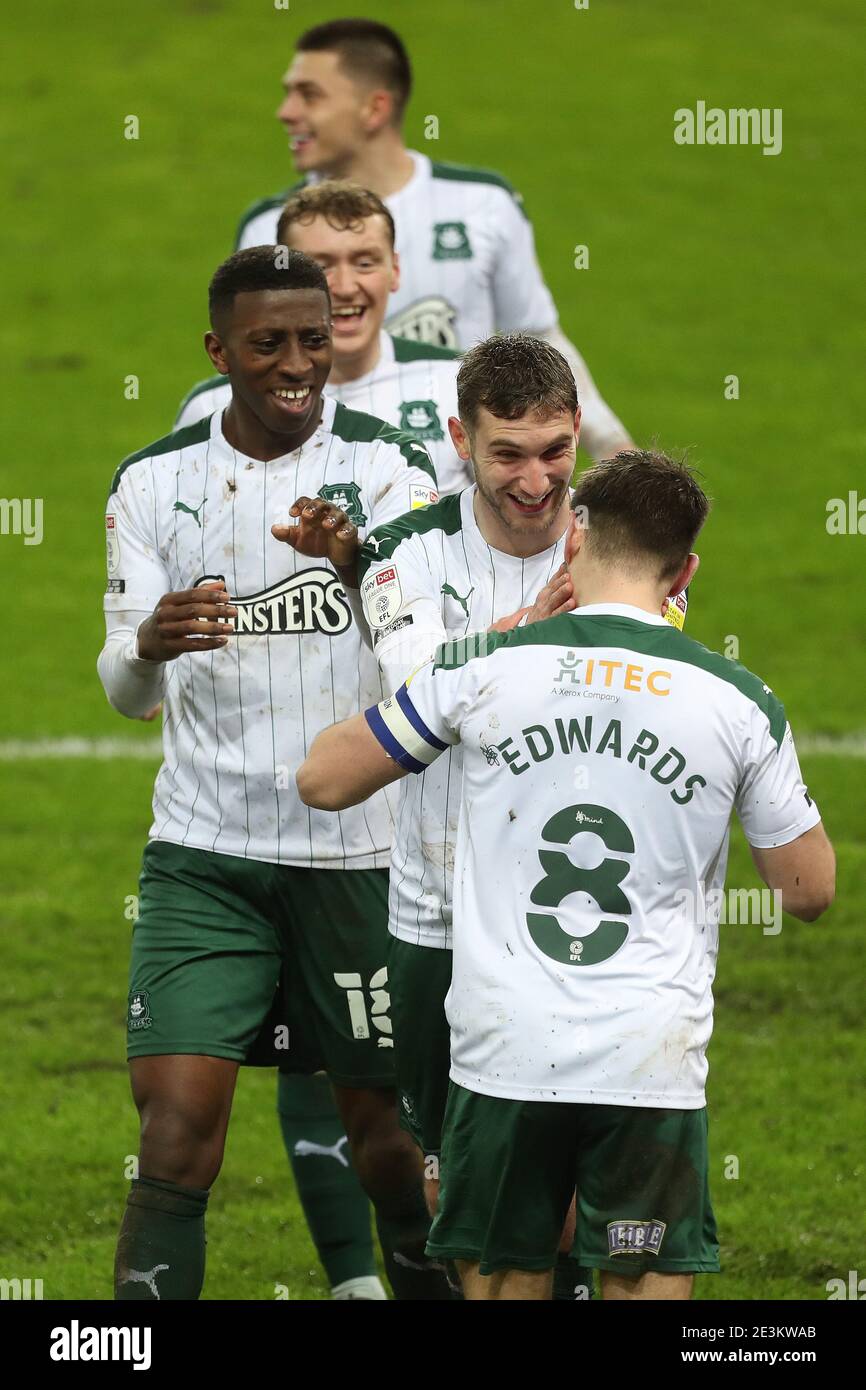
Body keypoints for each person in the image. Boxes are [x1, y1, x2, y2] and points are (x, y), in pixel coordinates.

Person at [294, 449, 836, 1300]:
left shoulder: (485, 668)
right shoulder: (739, 700)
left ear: (576, 537)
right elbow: (808, 893)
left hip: (503, 1050)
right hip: (648, 1058)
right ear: (685, 568)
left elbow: (322, 780)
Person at [98, 245, 449, 1301]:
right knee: (173, 1134)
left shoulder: (391, 469)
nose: (299, 363)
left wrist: (358, 567)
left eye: (316, 339)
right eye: (269, 344)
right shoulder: (155, 482)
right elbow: (123, 690)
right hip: (206, 860)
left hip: (362, 860)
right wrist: (150, 643)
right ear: (218, 351)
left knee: (391, 1143)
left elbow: (425, 675)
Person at [280, 332, 601, 1300]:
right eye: (506, 454)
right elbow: (420, 686)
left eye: (553, 450)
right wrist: (528, 636)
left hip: (573, 908)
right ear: (460, 439)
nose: (535, 479)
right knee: (456, 1176)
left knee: (578, 1162)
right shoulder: (398, 553)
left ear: (576, 430)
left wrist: (510, 652)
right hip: (436, 913)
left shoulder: (619, 544)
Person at [234, 17, 632, 462]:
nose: (286, 112)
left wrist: (614, 449)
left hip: (459, 487)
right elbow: (248, 376)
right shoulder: (266, 229)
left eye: (309, 95)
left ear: (375, 109)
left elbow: (540, 340)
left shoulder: (483, 205)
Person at [178, 181, 465, 494]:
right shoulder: (210, 407)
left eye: (365, 263)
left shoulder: (458, 385)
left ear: (394, 270)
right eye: (320, 267)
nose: (343, 287)